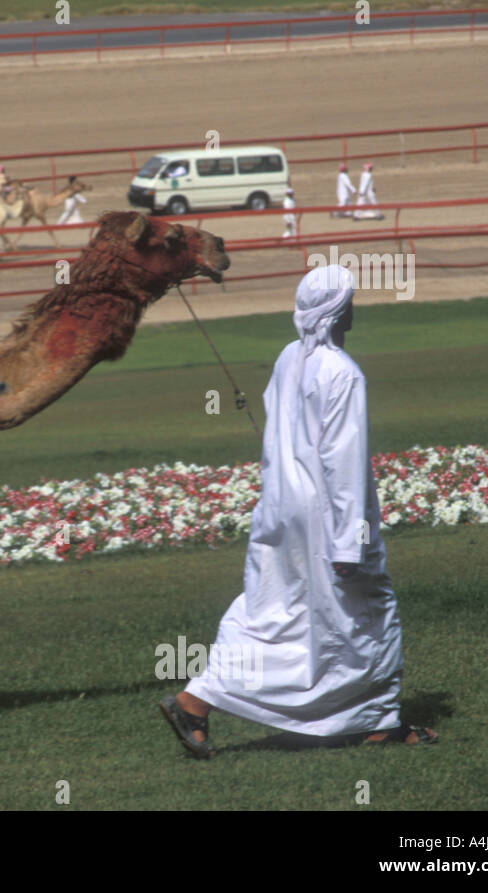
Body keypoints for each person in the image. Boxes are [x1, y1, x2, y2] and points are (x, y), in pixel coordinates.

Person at [159, 264, 437, 759]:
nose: (353, 310)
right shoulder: (343, 374)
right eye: (349, 302)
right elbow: (343, 463)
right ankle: (378, 721)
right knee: (368, 614)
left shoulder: (290, 358)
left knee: (272, 615)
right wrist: (350, 542)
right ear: (337, 312)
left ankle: (195, 701)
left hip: (279, 510)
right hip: (326, 517)